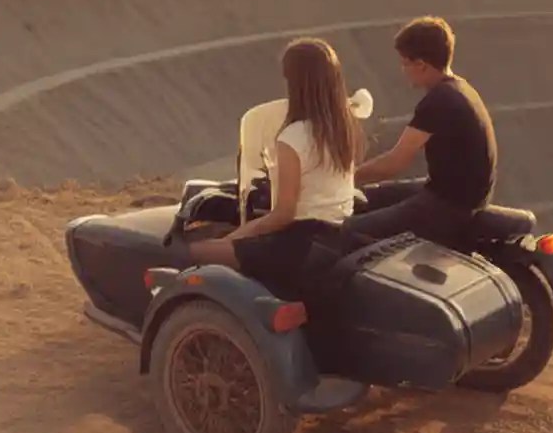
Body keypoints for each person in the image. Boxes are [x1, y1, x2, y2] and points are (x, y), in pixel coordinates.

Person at [180, 37, 366, 291]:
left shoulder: (293, 136)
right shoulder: (345, 127)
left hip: (300, 244)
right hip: (338, 237)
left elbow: (283, 214)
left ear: (297, 83)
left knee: (194, 252)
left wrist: (233, 237)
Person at [347, 15, 498, 243]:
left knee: (349, 230)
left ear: (421, 65)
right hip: (458, 194)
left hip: (449, 206)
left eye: (405, 62)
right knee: (364, 198)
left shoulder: (439, 100)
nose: (403, 69)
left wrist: (346, 178)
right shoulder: (461, 88)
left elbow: (394, 162)